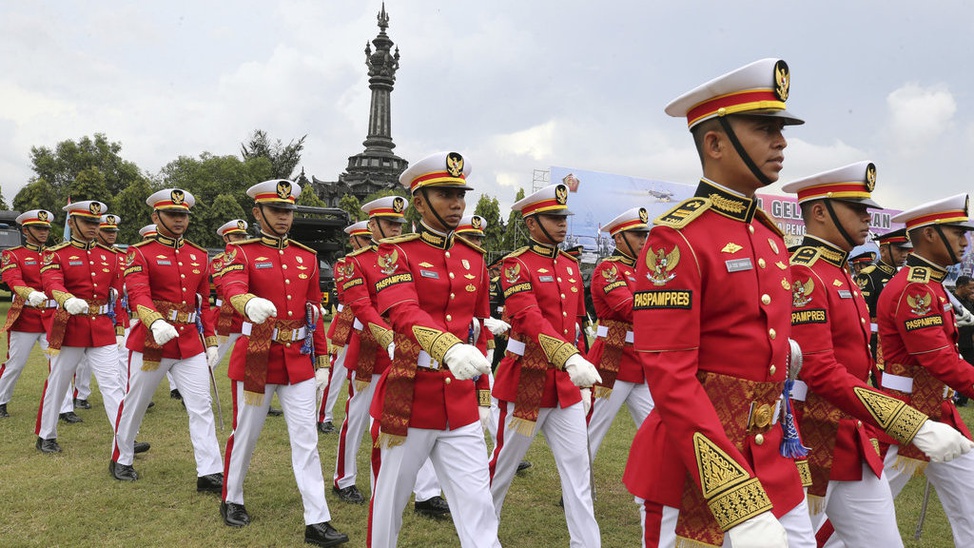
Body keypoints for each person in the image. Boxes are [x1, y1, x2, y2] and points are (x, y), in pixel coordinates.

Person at [622, 58, 814, 548]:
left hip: (771, 456)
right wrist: (737, 500)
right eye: (765, 129)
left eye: (781, 130)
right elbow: (669, 376)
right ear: (714, 143)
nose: (782, 142)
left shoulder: (770, 236)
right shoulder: (677, 238)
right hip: (697, 465)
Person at [780, 162, 971, 546]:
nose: (868, 218)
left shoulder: (839, 273)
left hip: (850, 426)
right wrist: (908, 421)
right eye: (857, 209)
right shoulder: (806, 274)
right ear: (819, 212)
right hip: (811, 430)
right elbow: (819, 369)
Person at [368, 151, 499, 548]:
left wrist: (482, 393)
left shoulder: (473, 258)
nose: (456, 203)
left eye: (460, 195)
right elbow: (403, 310)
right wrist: (448, 347)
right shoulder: (395, 253)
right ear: (420, 202)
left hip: (459, 401)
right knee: (389, 507)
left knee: (479, 508)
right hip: (409, 395)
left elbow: (478, 330)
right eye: (445, 194)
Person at [219, 179, 348, 547]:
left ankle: (317, 519)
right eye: (275, 210)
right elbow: (231, 286)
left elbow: (313, 311)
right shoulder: (241, 252)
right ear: (257, 212)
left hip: (298, 360)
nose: (283, 217)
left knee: (306, 439)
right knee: (246, 434)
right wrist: (247, 302)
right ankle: (232, 497)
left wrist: (321, 360)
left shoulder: (306, 256)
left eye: (288, 210)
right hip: (257, 356)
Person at [489, 183, 602, 547]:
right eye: (553, 217)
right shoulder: (516, 265)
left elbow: (577, 326)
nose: (562, 223)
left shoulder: (570, 266)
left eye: (564, 217)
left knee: (578, 473)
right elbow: (528, 317)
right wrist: (570, 358)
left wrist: (581, 366)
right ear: (532, 223)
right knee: (502, 468)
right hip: (526, 379)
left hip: (565, 385)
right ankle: (480, 535)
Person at [331, 196, 449, 518]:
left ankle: (426, 493)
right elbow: (361, 305)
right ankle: (344, 478)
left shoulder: (409, 255)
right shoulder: (357, 261)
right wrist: (387, 336)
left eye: (398, 223)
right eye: (389, 223)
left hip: (409, 350)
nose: (396, 228)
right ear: (372, 226)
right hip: (372, 350)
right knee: (358, 417)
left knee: (418, 420)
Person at [110, 189, 224, 493]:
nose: (178, 220)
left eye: (183, 214)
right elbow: (138, 293)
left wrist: (211, 339)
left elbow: (204, 303)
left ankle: (209, 471)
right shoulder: (140, 252)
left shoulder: (199, 255)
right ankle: (122, 457)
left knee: (201, 405)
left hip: (189, 342)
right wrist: (155, 321)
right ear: (156, 217)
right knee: (136, 402)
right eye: (172, 214)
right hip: (152, 341)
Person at [876, 193, 974, 545]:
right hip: (902, 417)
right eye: (958, 233)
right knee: (858, 518)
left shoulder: (929, 284)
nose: (965, 241)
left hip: (933, 410)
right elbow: (940, 360)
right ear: (930, 234)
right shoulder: (916, 289)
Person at [35, 200, 126, 453]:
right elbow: (51, 282)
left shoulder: (110, 256)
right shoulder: (56, 254)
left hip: (102, 328)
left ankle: (124, 437)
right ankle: (46, 435)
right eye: (87, 221)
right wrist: (67, 299)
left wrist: (119, 328)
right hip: (70, 327)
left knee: (112, 384)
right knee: (59, 383)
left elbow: (116, 295)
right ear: (71, 223)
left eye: (96, 222)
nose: (93, 226)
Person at [586, 207, 654, 466]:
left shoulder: (644, 272)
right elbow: (629, 308)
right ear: (619, 238)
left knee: (655, 427)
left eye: (645, 235)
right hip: (612, 360)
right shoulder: (609, 270)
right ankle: (577, 484)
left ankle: (653, 484)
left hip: (640, 361)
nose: (643, 241)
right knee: (593, 430)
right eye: (637, 235)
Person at [0, 210, 60, 418]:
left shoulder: (54, 255)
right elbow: (12, 279)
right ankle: (1, 400)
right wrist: (29, 293)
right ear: (25, 231)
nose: (44, 232)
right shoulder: (13, 255)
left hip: (51, 317)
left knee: (59, 363)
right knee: (16, 364)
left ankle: (64, 407)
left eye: (46, 228)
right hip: (26, 317)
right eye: (38, 228)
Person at [317, 222, 366, 434]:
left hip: (372, 323)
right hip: (348, 320)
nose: (370, 242)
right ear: (353, 241)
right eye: (365, 239)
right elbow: (348, 295)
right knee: (337, 371)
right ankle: (323, 416)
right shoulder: (345, 265)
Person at [74, 214, 126, 409]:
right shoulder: (77, 253)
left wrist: (119, 323)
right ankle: (80, 395)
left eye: (114, 231)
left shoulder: (119, 256)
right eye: (106, 231)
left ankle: (125, 394)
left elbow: (118, 291)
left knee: (118, 361)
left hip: (110, 314)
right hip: (79, 316)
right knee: (81, 363)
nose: (111, 235)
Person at [854, 228, 912, 362]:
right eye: (900, 250)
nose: (904, 255)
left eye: (906, 250)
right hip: (875, 341)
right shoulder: (869, 275)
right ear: (883, 251)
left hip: (898, 339)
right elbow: (861, 312)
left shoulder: (902, 276)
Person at [209, 219, 250, 366]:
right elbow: (223, 288)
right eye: (236, 236)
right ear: (226, 239)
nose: (241, 240)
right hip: (226, 317)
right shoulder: (219, 261)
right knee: (212, 359)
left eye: (243, 236)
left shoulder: (250, 258)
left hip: (248, 317)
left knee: (251, 363)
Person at [952, 275, 974, 406]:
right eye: (970, 288)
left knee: (969, 370)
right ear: (961, 287)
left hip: (969, 344)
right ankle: (954, 397)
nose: (972, 291)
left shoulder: (968, 302)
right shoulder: (951, 301)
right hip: (956, 343)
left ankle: (962, 398)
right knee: (955, 371)